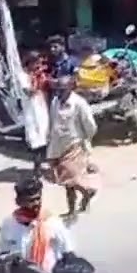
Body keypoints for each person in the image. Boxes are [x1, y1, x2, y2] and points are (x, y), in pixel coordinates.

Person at [0, 173, 74, 273]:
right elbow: (3, 255)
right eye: (30, 200)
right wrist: (11, 259)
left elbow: (68, 254)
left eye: (38, 199)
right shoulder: (8, 224)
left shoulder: (52, 222)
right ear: (19, 201)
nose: (36, 203)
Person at [45, 77, 99, 217]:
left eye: (62, 89)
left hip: (74, 146)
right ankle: (72, 209)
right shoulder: (55, 102)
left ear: (70, 88)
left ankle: (87, 192)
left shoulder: (79, 104)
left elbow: (90, 126)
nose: (59, 92)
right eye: (58, 89)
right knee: (66, 183)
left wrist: (85, 142)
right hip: (58, 147)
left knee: (71, 179)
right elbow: (52, 123)